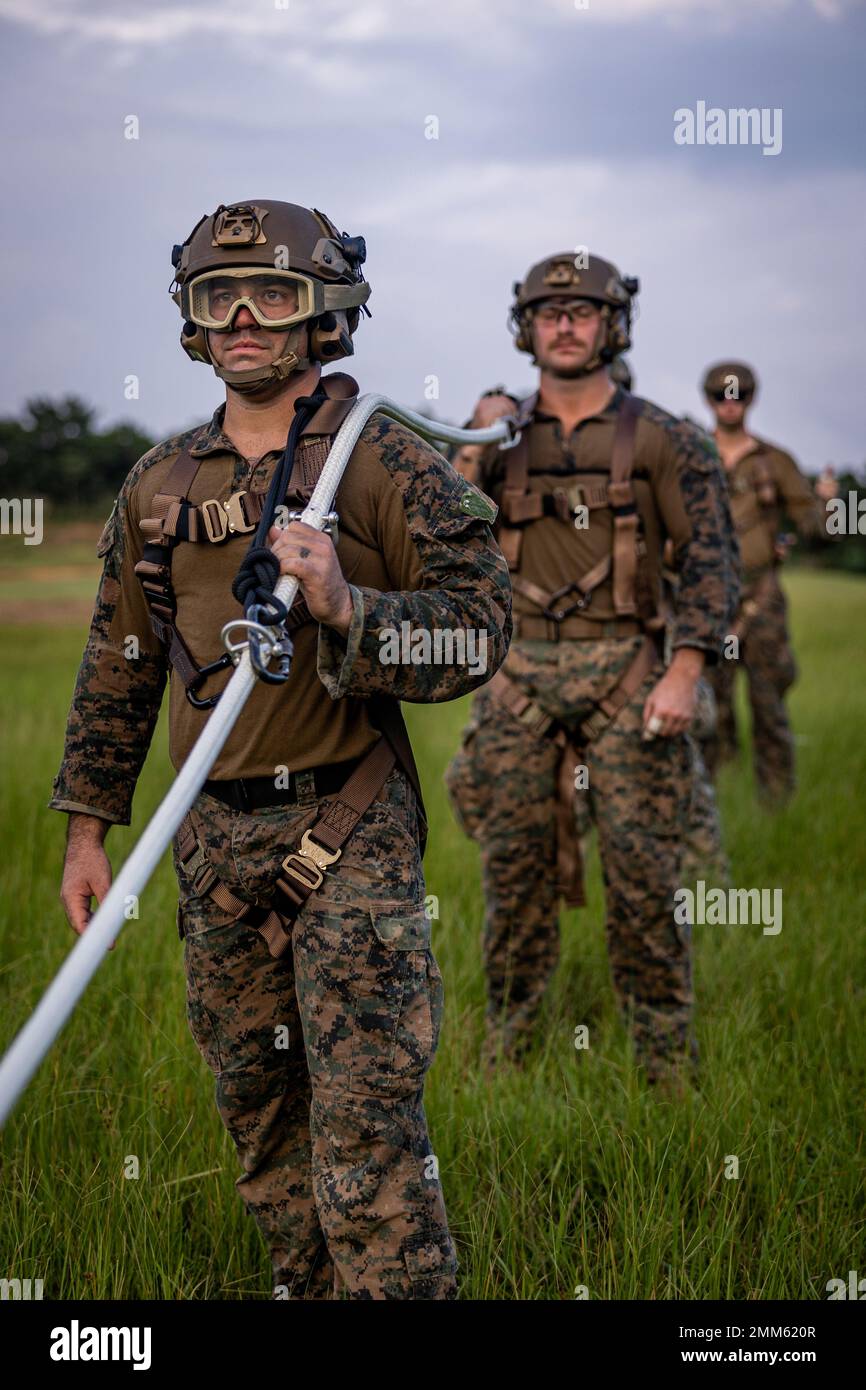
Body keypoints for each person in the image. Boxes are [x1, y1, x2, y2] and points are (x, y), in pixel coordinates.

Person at [50, 199, 511, 1299]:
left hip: (347, 826)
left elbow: (481, 628)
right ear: (192, 322)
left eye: (272, 296)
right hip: (209, 841)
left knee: (365, 1123)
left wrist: (348, 603)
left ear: (324, 316)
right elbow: (119, 663)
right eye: (219, 297)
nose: (244, 316)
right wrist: (85, 828)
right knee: (258, 1120)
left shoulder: (383, 459)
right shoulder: (160, 483)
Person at [445, 251, 739, 1085]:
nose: (565, 324)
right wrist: (473, 441)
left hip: (630, 673)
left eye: (582, 311)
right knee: (513, 875)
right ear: (525, 327)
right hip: (516, 678)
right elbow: (440, 547)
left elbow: (712, 565)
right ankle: (507, 1046)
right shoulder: (493, 437)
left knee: (646, 877)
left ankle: (665, 1062)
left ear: (612, 325)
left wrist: (684, 673)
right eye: (549, 311)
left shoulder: (665, 437)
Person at [701, 361, 836, 805]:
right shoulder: (692, 455)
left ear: (750, 400)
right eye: (721, 394)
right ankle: (713, 808)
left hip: (762, 602)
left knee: (769, 708)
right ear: (709, 399)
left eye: (737, 395)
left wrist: (829, 505)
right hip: (706, 600)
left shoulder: (775, 462)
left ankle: (777, 808)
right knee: (707, 712)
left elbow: (815, 528)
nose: (729, 402)